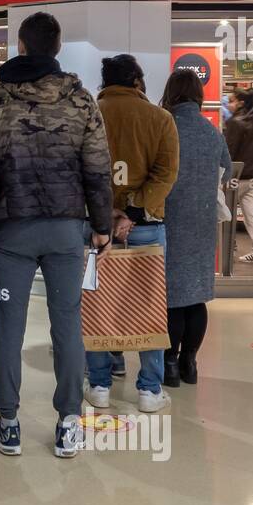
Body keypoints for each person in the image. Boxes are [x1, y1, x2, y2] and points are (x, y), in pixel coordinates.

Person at [0, 11, 114, 458]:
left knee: (7, 328)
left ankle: (9, 422)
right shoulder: (80, 100)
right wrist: (103, 225)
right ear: (56, 47)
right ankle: (69, 421)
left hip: (10, 230)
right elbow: (98, 166)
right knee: (67, 324)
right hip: (66, 228)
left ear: (20, 44)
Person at [87, 53, 180, 414]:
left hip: (97, 227)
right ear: (138, 81)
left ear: (104, 81)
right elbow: (166, 173)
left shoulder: (90, 113)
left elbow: (80, 169)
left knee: (96, 302)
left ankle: (98, 385)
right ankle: (149, 389)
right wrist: (136, 211)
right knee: (149, 303)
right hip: (147, 227)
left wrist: (107, 211)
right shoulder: (160, 118)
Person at [159, 69, 232, 387]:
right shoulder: (212, 132)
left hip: (169, 217)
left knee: (172, 296)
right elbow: (226, 170)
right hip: (202, 222)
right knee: (197, 295)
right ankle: (190, 362)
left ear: (171, 93)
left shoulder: (165, 126)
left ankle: (170, 362)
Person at [224, 90, 253, 263]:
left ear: (240, 102)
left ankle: (228, 248)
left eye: (231, 101)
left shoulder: (235, 122)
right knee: (251, 214)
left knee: (226, 213)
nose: (228, 104)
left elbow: (228, 151)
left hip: (238, 176)